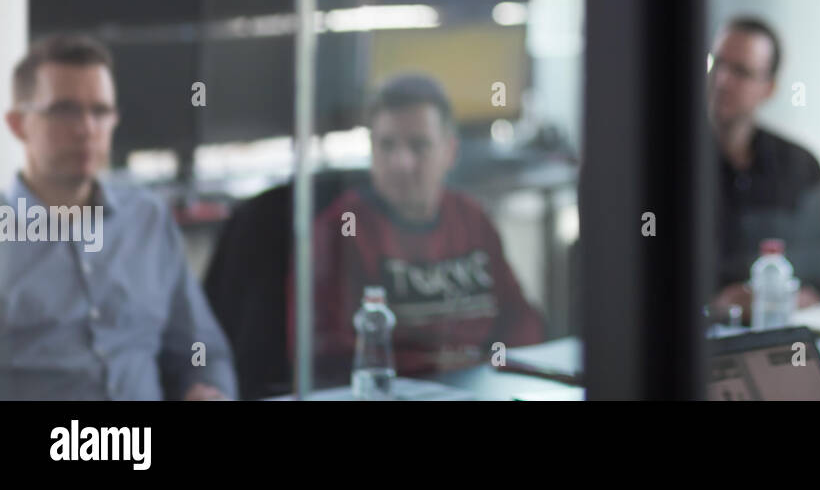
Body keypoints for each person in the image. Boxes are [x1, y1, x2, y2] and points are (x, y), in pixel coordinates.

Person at [0, 34, 236, 400]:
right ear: (18, 124)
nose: (86, 129)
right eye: (65, 110)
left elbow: (201, 349)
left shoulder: (147, 219)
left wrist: (208, 389)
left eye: (100, 111)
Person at [294, 73, 544, 383]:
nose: (401, 162)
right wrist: (438, 364)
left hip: (481, 383)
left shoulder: (471, 218)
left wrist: (497, 366)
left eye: (418, 146)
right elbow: (325, 352)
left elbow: (521, 320)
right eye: (387, 145)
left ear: (449, 152)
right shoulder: (341, 230)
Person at [709, 16, 820, 321]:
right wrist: (717, 303)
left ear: (769, 87)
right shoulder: (670, 164)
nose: (722, 80)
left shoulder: (800, 166)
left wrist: (786, 293)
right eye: (717, 64)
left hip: (783, 336)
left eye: (741, 71)